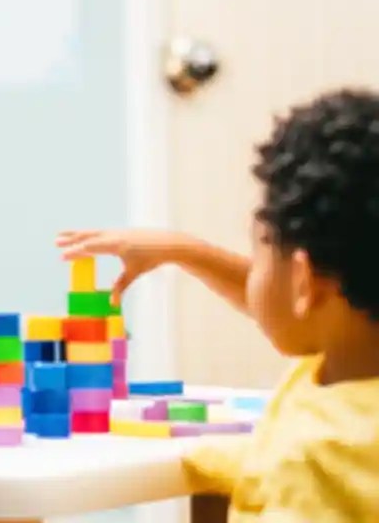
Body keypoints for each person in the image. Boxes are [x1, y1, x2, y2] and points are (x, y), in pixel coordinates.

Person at [56, 88, 379, 522]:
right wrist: (182, 250)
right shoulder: (348, 368)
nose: (255, 271)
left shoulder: (310, 466)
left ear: (304, 282)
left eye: (260, 252)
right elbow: (288, 303)